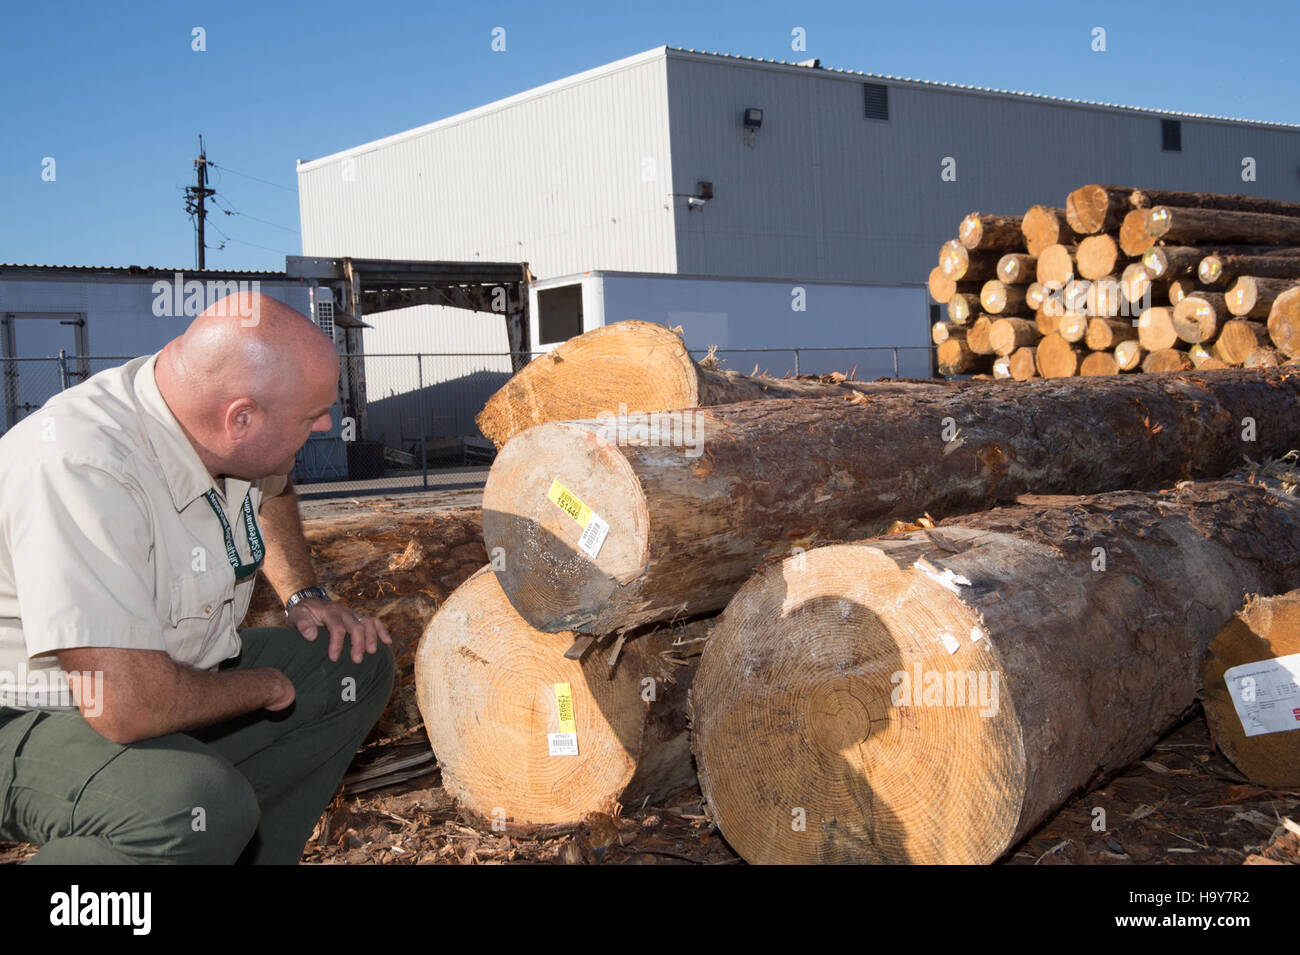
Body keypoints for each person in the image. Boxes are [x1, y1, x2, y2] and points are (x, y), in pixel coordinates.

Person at [0, 291, 394, 864]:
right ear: (241, 418)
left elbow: (273, 480)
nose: (328, 423)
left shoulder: (196, 412)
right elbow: (125, 706)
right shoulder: (82, 467)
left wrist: (303, 593)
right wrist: (265, 686)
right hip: (33, 708)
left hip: (165, 673)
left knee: (349, 661)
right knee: (186, 806)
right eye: (310, 417)